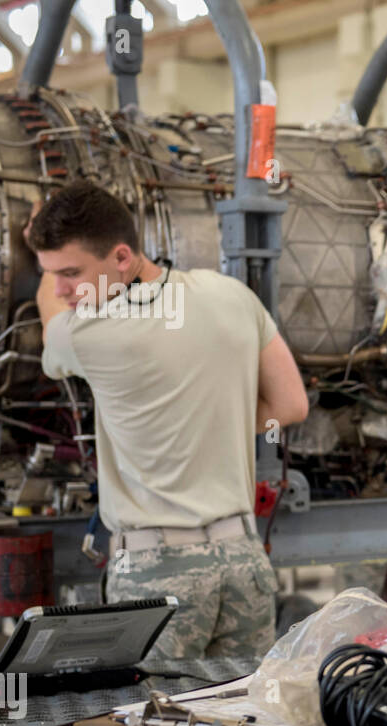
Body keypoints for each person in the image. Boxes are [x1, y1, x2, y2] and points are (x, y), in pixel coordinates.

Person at [26, 181, 309, 660]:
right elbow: (291, 406)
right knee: (242, 705)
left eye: (71, 273)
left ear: (122, 257)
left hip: (157, 577)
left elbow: (50, 316)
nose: (62, 289)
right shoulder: (231, 295)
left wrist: (36, 231)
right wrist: (212, 422)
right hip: (243, 564)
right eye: (50, 273)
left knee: (152, 709)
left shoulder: (92, 333)